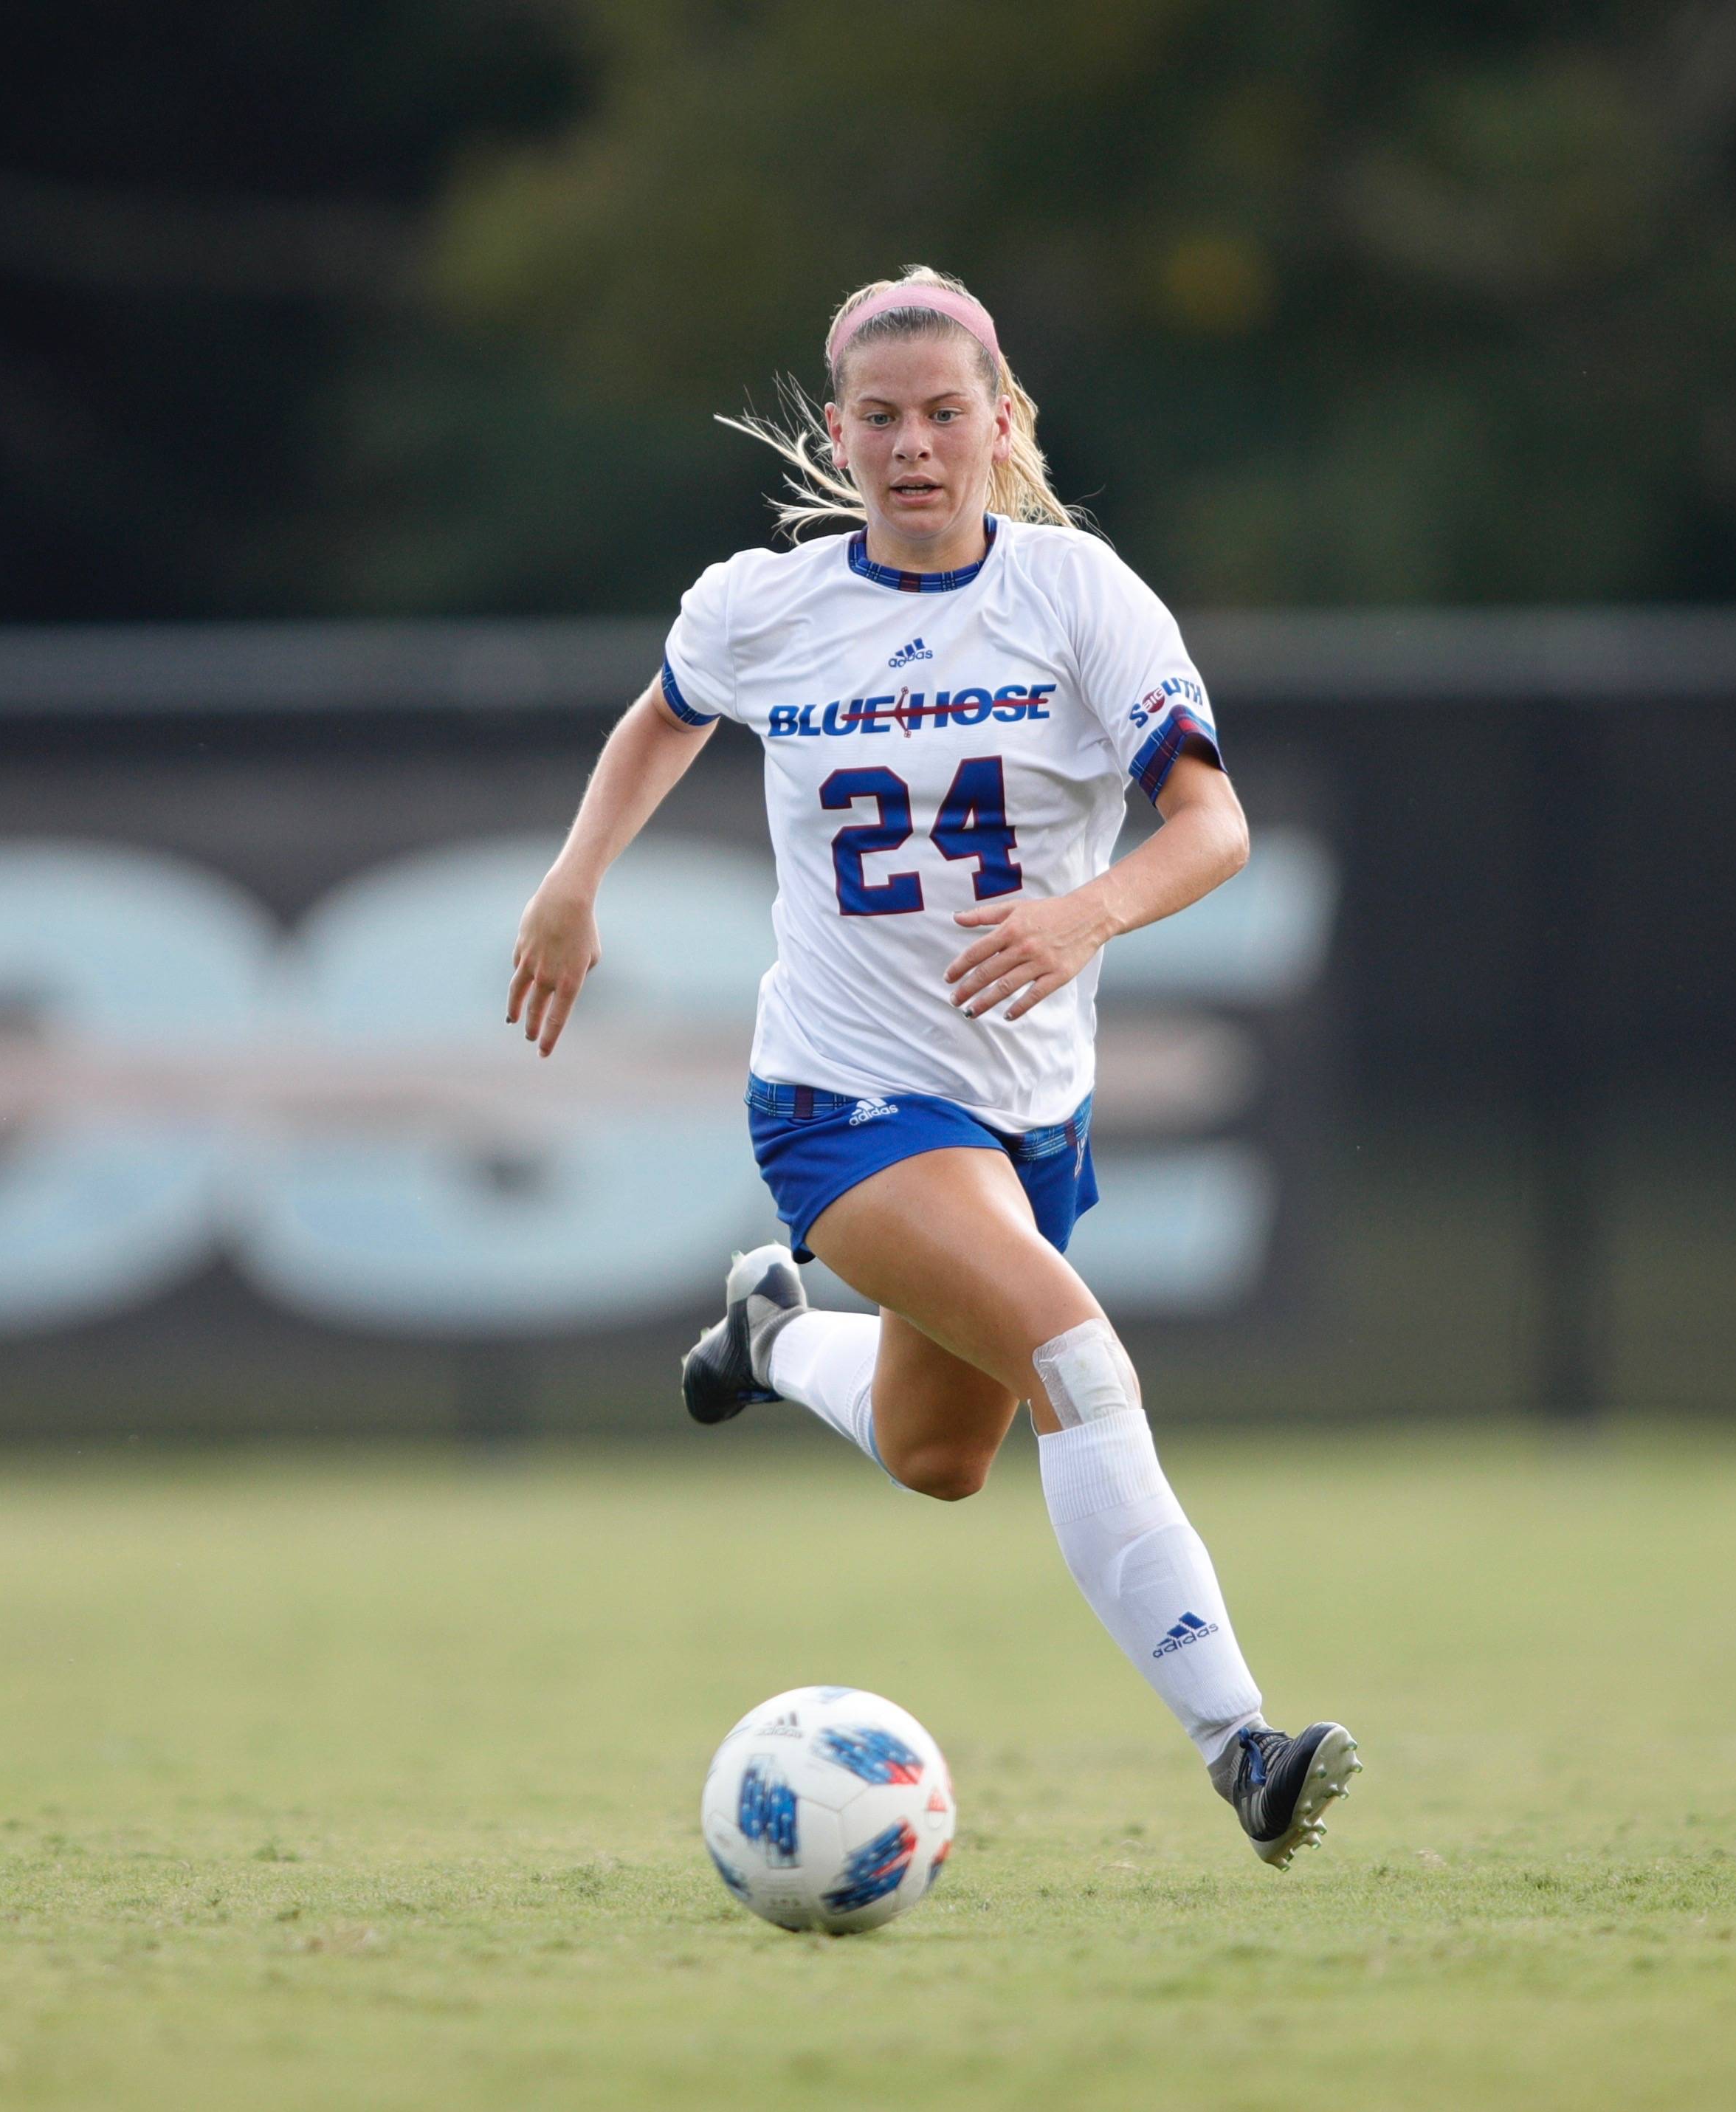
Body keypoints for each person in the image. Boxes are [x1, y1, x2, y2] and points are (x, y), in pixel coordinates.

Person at [506, 268, 1356, 1865]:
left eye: (943, 414)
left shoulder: (1077, 595)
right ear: (839, 435)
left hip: (1029, 1108)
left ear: (1001, 423)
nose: (912, 446)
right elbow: (660, 720)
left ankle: (769, 1343)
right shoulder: (761, 604)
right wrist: (572, 879)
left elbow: (1211, 824)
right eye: (880, 418)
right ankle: (1242, 1745)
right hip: (842, 1099)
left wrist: (1083, 915)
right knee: (1077, 1361)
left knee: (937, 1458)